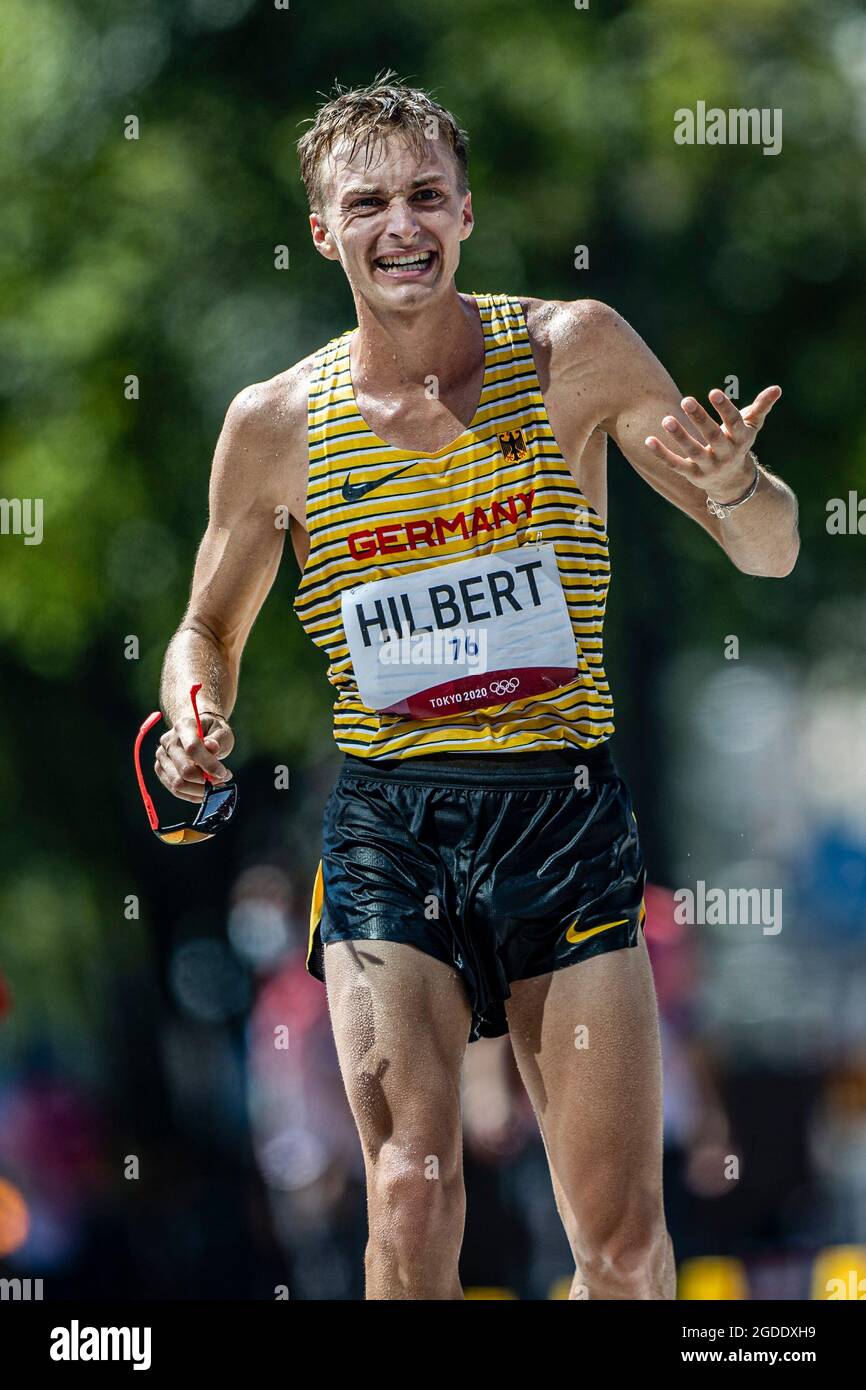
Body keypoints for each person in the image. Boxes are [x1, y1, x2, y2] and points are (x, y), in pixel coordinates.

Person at [155, 73, 800, 1299]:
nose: (400, 225)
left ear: (465, 213)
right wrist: (198, 714)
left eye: (425, 197)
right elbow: (204, 626)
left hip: (560, 815)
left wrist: (729, 488)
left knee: (615, 1243)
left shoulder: (574, 350)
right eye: (367, 203)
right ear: (320, 229)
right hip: (392, 821)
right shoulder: (275, 422)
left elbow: (768, 546)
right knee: (407, 1189)